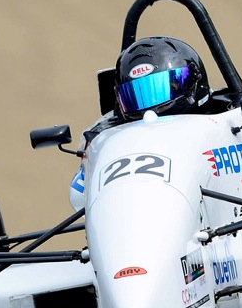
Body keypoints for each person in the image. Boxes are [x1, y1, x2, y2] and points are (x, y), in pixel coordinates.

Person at [69, 36, 213, 209]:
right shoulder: (106, 135)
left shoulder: (221, 124)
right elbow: (78, 195)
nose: (149, 112)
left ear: (193, 85)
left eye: (160, 89)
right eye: (136, 96)